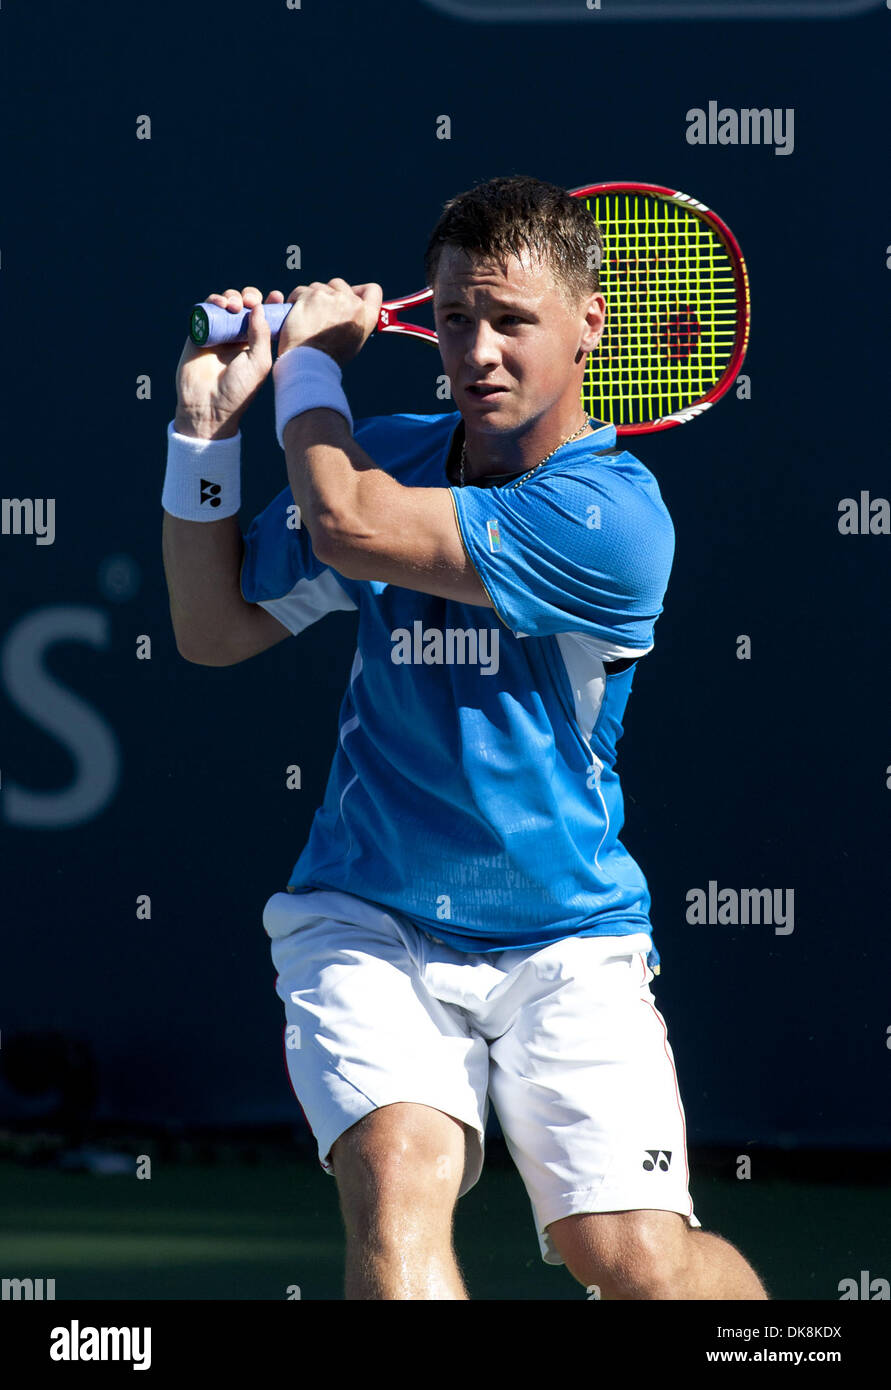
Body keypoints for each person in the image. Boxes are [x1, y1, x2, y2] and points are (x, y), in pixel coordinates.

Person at [161, 175, 767, 1301]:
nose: (477, 352)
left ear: (590, 326)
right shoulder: (386, 451)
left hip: (568, 934)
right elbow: (211, 629)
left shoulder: (614, 519)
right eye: (451, 319)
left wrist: (308, 367)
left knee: (634, 1262)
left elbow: (350, 523)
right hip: (368, 915)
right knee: (398, 1177)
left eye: (511, 320)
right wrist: (202, 433)